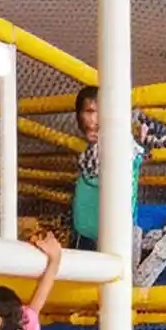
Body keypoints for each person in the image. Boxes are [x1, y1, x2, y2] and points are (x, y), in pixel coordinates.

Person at [72, 85, 100, 251]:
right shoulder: (88, 153)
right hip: (86, 229)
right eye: (88, 112)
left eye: (96, 112)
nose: (92, 119)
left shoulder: (117, 144)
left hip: (105, 230)